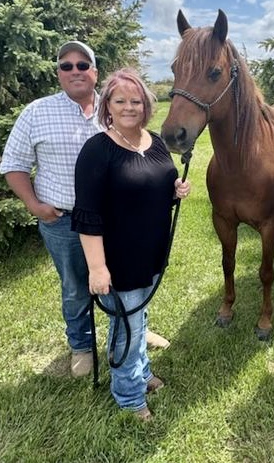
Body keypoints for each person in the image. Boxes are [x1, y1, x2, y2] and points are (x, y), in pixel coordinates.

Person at [0, 41, 170, 380]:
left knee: (125, 285)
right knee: (79, 287)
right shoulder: (37, 112)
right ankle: (82, 345)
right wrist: (34, 204)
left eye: (83, 65)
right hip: (63, 220)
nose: (75, 71)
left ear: (95, 72)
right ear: (59, 72)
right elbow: (13, 164)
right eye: (67, 66)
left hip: (118, 223)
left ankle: (129, 336)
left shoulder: (117, 109)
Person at [72, 69, 191, 420]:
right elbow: (88, 215)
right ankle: (128, 397)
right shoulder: (97, 150)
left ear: (147, 106)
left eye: (136, 101)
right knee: (129, 326)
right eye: (120, 100)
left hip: (151, 252)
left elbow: (153, 187)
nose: (129, 107)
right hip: (118, 257)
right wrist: (97, 267)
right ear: (107, 105)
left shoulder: (153, 142)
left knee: (138, 318)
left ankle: (140, 373)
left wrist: (174, 191)